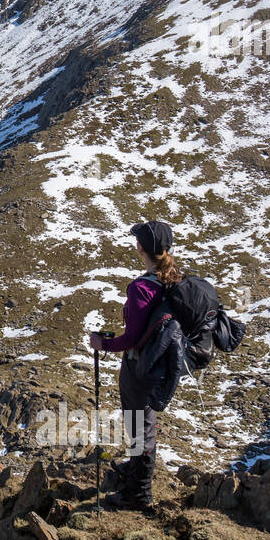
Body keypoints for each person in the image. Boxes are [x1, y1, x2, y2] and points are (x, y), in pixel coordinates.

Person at [88, 219, 182, 510]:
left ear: (141, 247)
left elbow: (132, 337)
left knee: (139, 426)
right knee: (145, 424)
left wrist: (102, 344)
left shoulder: (142, 288)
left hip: (140, 369)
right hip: (160, 365)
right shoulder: (174, 278)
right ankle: (136, 475)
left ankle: (138, 495)